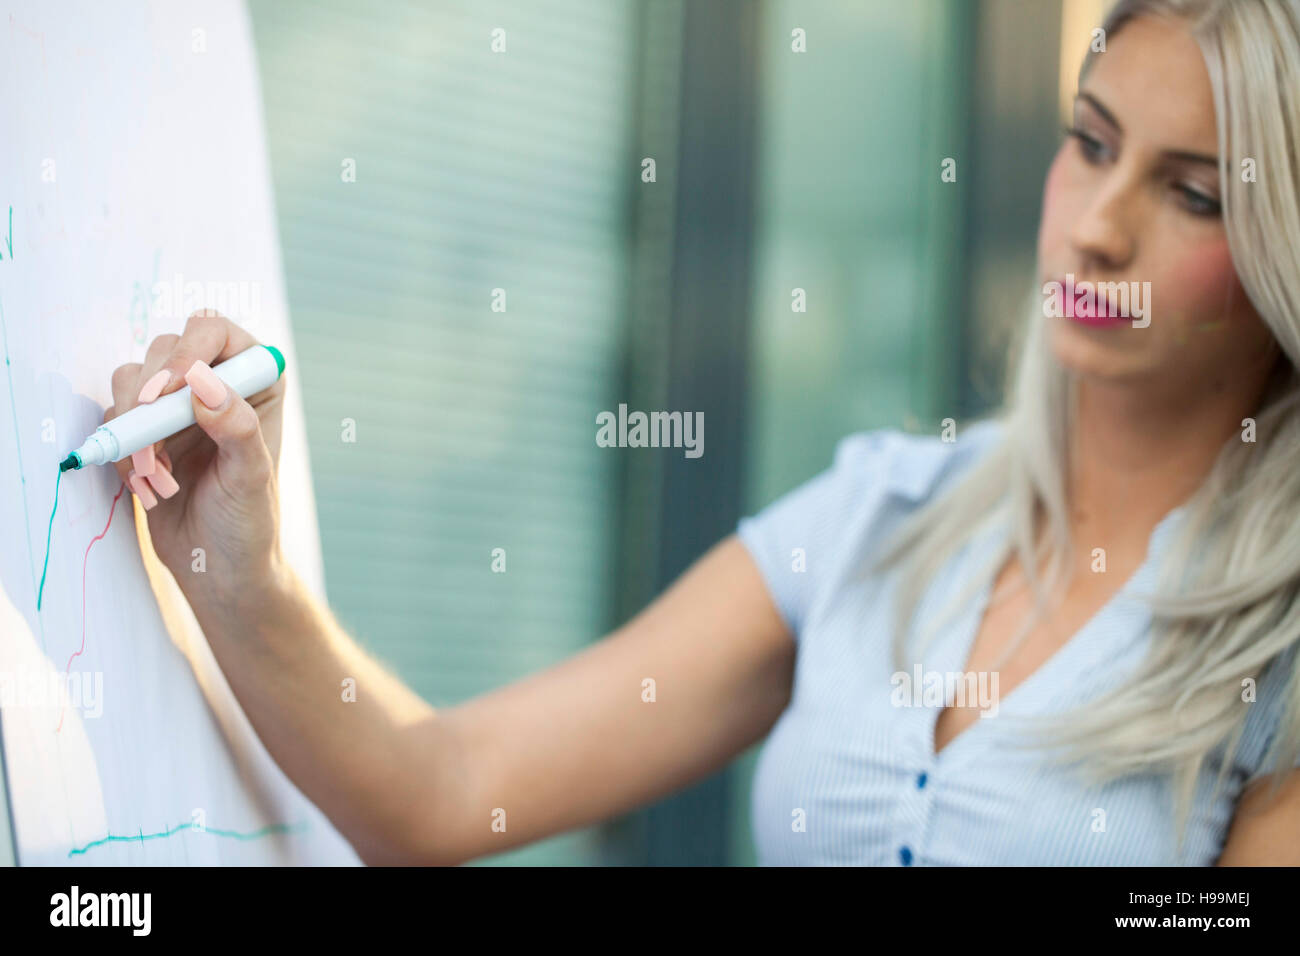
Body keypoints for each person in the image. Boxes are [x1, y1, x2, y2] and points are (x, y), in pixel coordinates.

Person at [107, 0, 1300, 865]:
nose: (1096, 227)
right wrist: (236, 565)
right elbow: (443, 791)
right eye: (1089, 142)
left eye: (1191, 192)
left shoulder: (1280, 646)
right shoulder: (877, 514)